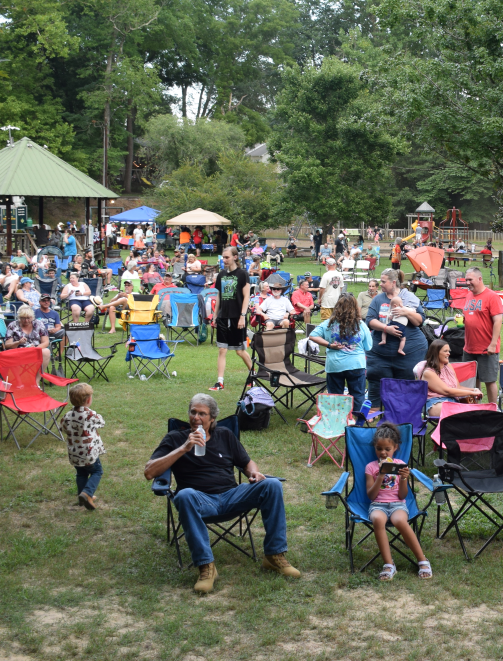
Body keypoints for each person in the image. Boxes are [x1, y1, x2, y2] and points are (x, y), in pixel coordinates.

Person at [145, 393, 300, 593]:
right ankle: (206, 566)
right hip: (199, 500)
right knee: (183, 495)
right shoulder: (176, 439)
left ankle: (274, 555)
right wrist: (184, 448)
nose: (196, 418)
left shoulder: (225, 435)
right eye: (193, 412)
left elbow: (246, 463)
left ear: (212, 419)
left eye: (202, 414)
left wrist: (253, 473)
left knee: (272, 485)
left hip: (231, 496)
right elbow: (149, 472)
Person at [365, 423, 431, 580]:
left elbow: (402, 495)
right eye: (379, 449)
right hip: (378, 505)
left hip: (397, 505)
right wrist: (380, 475)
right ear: (375, 447)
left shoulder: (400, 465)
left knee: (400, 520)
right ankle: (388, 564)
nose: (383, 452)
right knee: (377, 520)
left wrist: (403, 479)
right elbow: (371, 496)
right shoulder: (370, 467)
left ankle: (422, 560)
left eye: (387, 449)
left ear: (395, 448)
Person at [366, 269, 429, 409]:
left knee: (406, 382)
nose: (380, 284)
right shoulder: (378, 299)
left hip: (410, 352)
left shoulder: (410, 298)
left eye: (383, 281)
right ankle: (375, 408)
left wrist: (406, 311)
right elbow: (369, 320)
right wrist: (385, 328)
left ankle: (403, 410)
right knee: (376, 377)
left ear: (393, 282)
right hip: (380, 353)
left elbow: (420, 321)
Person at [309, 294, 373, 418]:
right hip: (356, 365)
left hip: (335, 365)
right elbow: (368, 347)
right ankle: (358, 422)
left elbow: (312, 335)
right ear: (355, 307)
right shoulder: (360, 325)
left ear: (337, 306)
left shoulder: (328, 323)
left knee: (335, 395)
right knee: (358, 394)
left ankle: (336, 419)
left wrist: (329, 345)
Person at [210, 247, 252, 392]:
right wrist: (215, 315)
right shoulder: (221, 275)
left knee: (240, 351)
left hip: (237, 317)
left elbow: (246, 296)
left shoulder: (242, 274)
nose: (224, 260)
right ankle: (220, 382)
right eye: (223, 257)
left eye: (227, 257)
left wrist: (242, 316)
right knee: (222, 349)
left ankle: (253, 375)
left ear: (235, 257)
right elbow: (219, 296)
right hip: (223, 316)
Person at [460, 267, 503, 404]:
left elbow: (498, 322)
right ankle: (475, 408)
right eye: (466, 280)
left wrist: (493, 343)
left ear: (479, 279)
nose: (467, 282)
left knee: (489, 380)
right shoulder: (468, 295)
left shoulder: (492, 296)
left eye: (470, 280)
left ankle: (492, 408)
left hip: (486, 348)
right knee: (472, 380)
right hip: (469, 347)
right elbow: (470, 315)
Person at [60, 383, 105, 511]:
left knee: (81, 473)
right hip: (89, 452)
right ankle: (87, 493)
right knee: (97, 471)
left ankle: (82, 496)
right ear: (88, 400)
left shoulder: (68, 415)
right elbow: (101, 422)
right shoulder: (90, 415)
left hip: (75, 453)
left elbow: (62, 427)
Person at [4, 305, 51, 380]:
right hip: (18, 352)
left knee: (46, 351)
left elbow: (45, 342)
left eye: (28, 318)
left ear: (32, 317)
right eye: (23, 318)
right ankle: (18, 381)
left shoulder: (39, 324)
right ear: (19, 317)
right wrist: (18, 342)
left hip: (35, 350)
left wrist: (35, 349)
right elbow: (7, 345)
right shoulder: (13, 325)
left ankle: (37, 381)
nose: (26, 321)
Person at [318, 257, 345, 322]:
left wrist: (319, 298)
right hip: (337, 299)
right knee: (336, 319)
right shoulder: (339, 274)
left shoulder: (326, 275)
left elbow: (322, 289)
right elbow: (341, 287)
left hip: (327, 301)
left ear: (328, 265)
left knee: (326, 321)